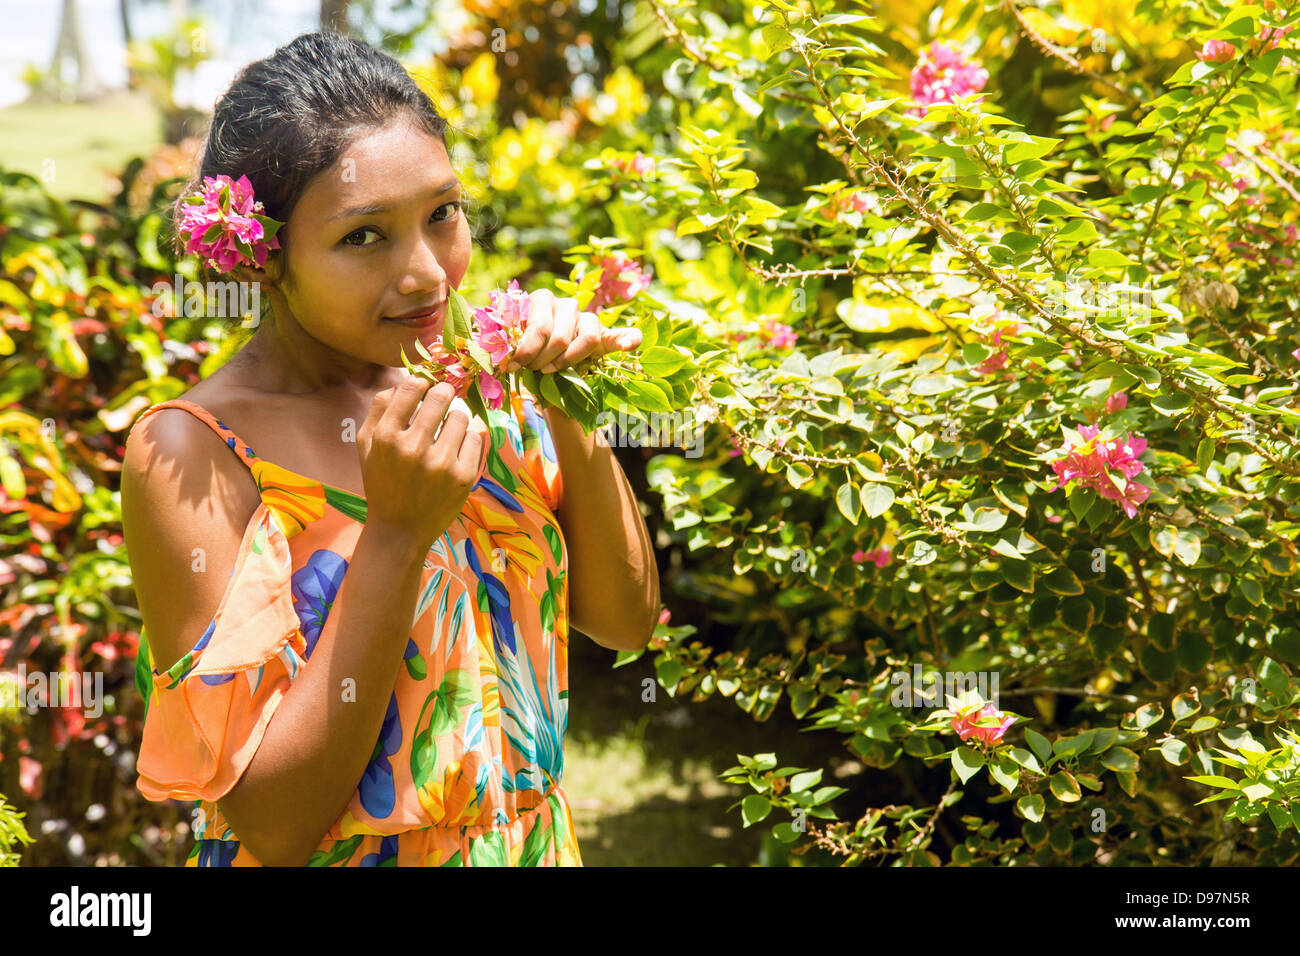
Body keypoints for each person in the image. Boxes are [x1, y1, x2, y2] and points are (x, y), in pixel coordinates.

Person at [120, 31, 661, 867]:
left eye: (442, 214)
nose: (428, 275)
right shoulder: (196, 454)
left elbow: (625, 624)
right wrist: (398, 535)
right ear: (262, 259)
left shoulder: (489, 384)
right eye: (364, 237)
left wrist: (571, 397)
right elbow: (273, 824)